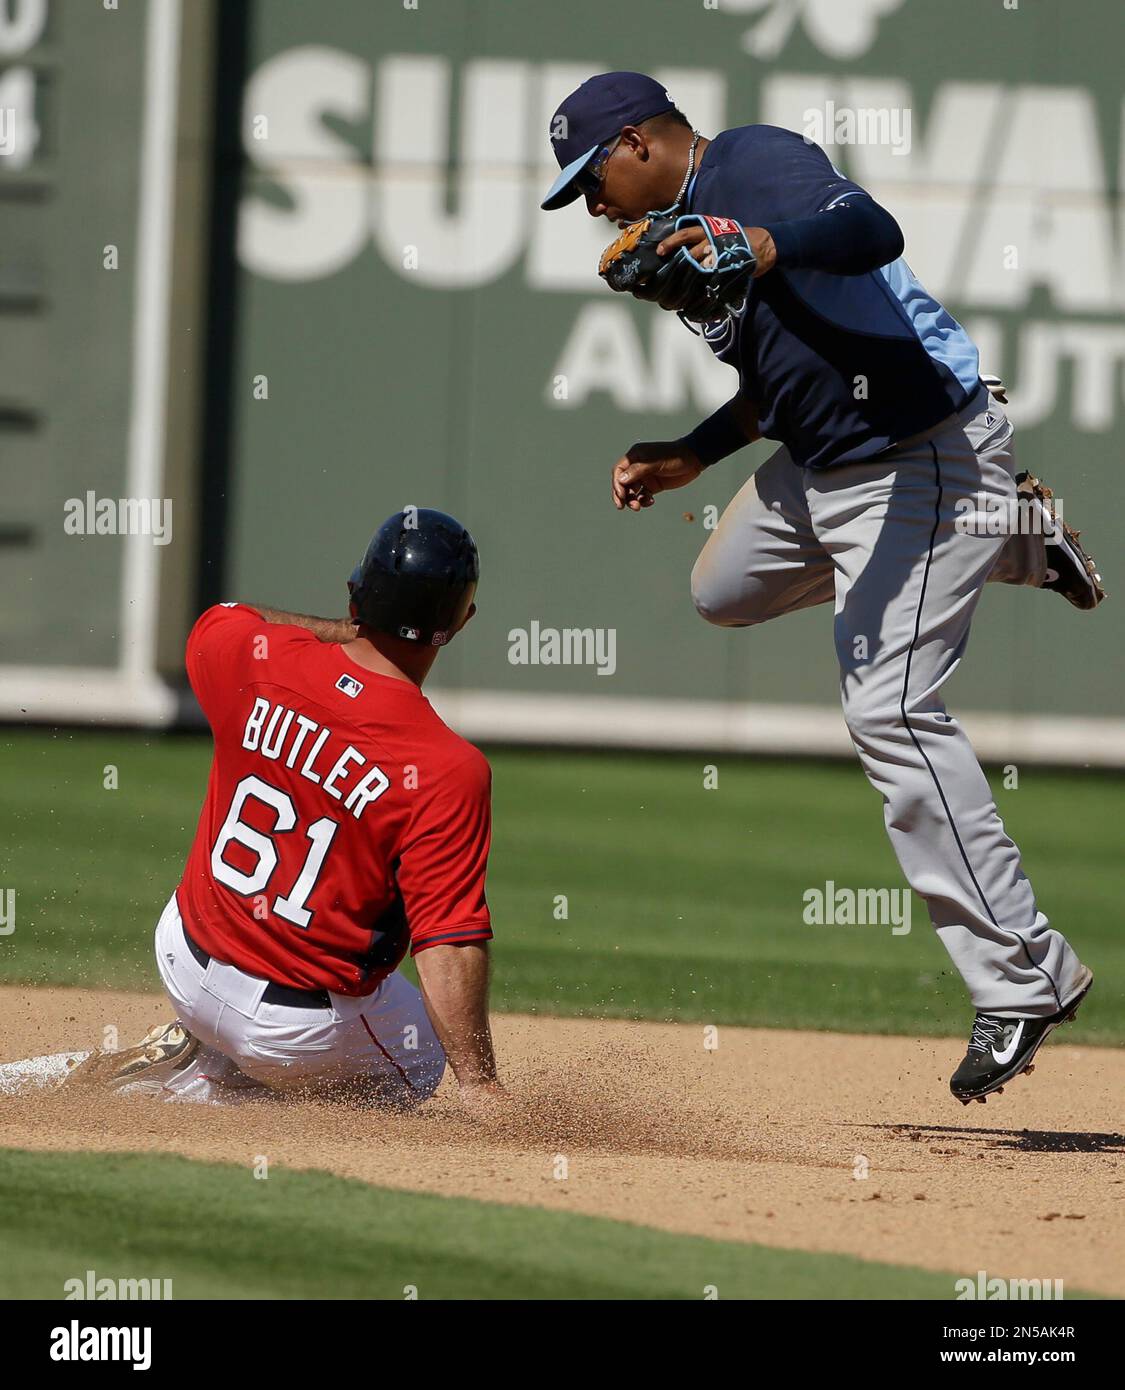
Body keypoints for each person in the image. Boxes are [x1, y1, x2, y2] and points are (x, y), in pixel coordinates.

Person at [541, 72, 1101, 1103]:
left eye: (590, 178)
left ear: (636, 142)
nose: (591, 205)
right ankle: (1016, 538)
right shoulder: (679, 241)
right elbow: (785, 380)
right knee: (721, 589)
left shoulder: (753, 162)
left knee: (889, 708)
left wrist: (762, 243)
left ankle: (1023, 974)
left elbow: (870, 228)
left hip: (925, 453)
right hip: (824, 467)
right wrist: (694, 454)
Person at [106, 507, 506, 1118]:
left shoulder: (259, 661)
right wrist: (480, 1088)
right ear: (461, 623)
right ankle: (213, 1085)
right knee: (419, 1061)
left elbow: (230, 616)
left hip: (182, 956)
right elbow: (446, 940)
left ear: (354, 596)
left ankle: (204, 1046)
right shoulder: (447, 768)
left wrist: (346, 630)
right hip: (290, 1029)